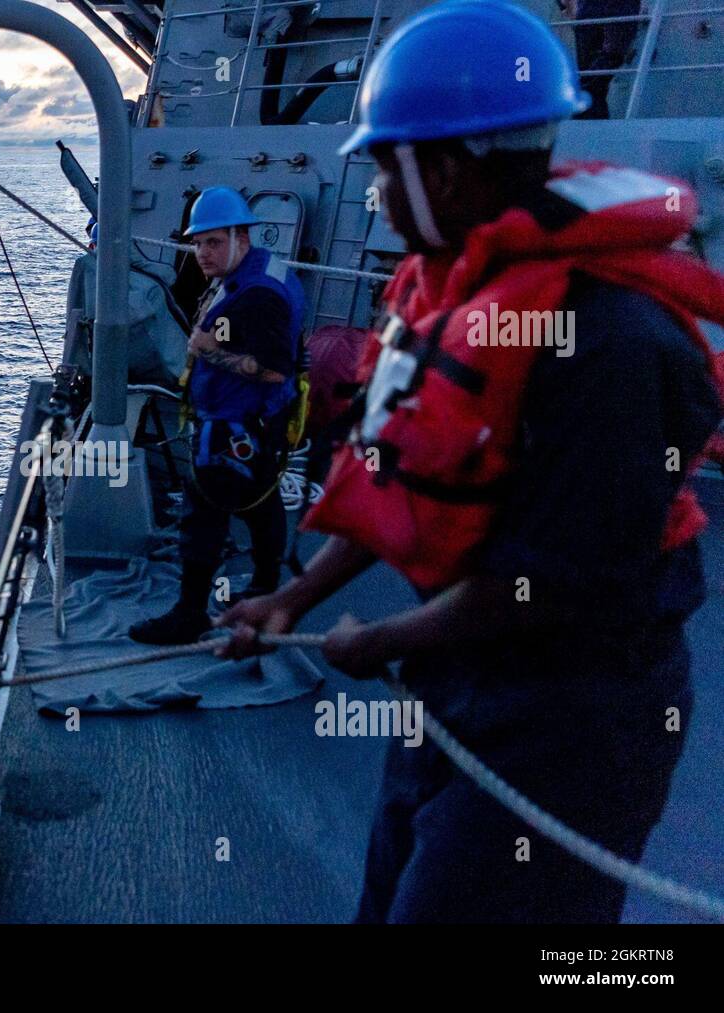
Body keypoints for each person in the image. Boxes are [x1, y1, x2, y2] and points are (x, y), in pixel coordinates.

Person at [220, 0, 724, 922]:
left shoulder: (609, 342)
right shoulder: (451, 291)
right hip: (459, 674)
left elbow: (551, 583)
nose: (378, 193)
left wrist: (381, 639)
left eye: (385, 168)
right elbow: (400, 473)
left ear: (443, 171)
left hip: (574, 711)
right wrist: (294, 599)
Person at [129, 186, 306, 645]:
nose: (202, 253)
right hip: (261, 424)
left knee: (202, 516)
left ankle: (189, 614)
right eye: (197, 242)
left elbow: (274, 369)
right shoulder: (264, 270)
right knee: (261, 504)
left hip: (235, 427)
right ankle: (267, 590)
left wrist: (208, 349)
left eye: (213, 241)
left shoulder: (257, 297)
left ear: (240, 238)